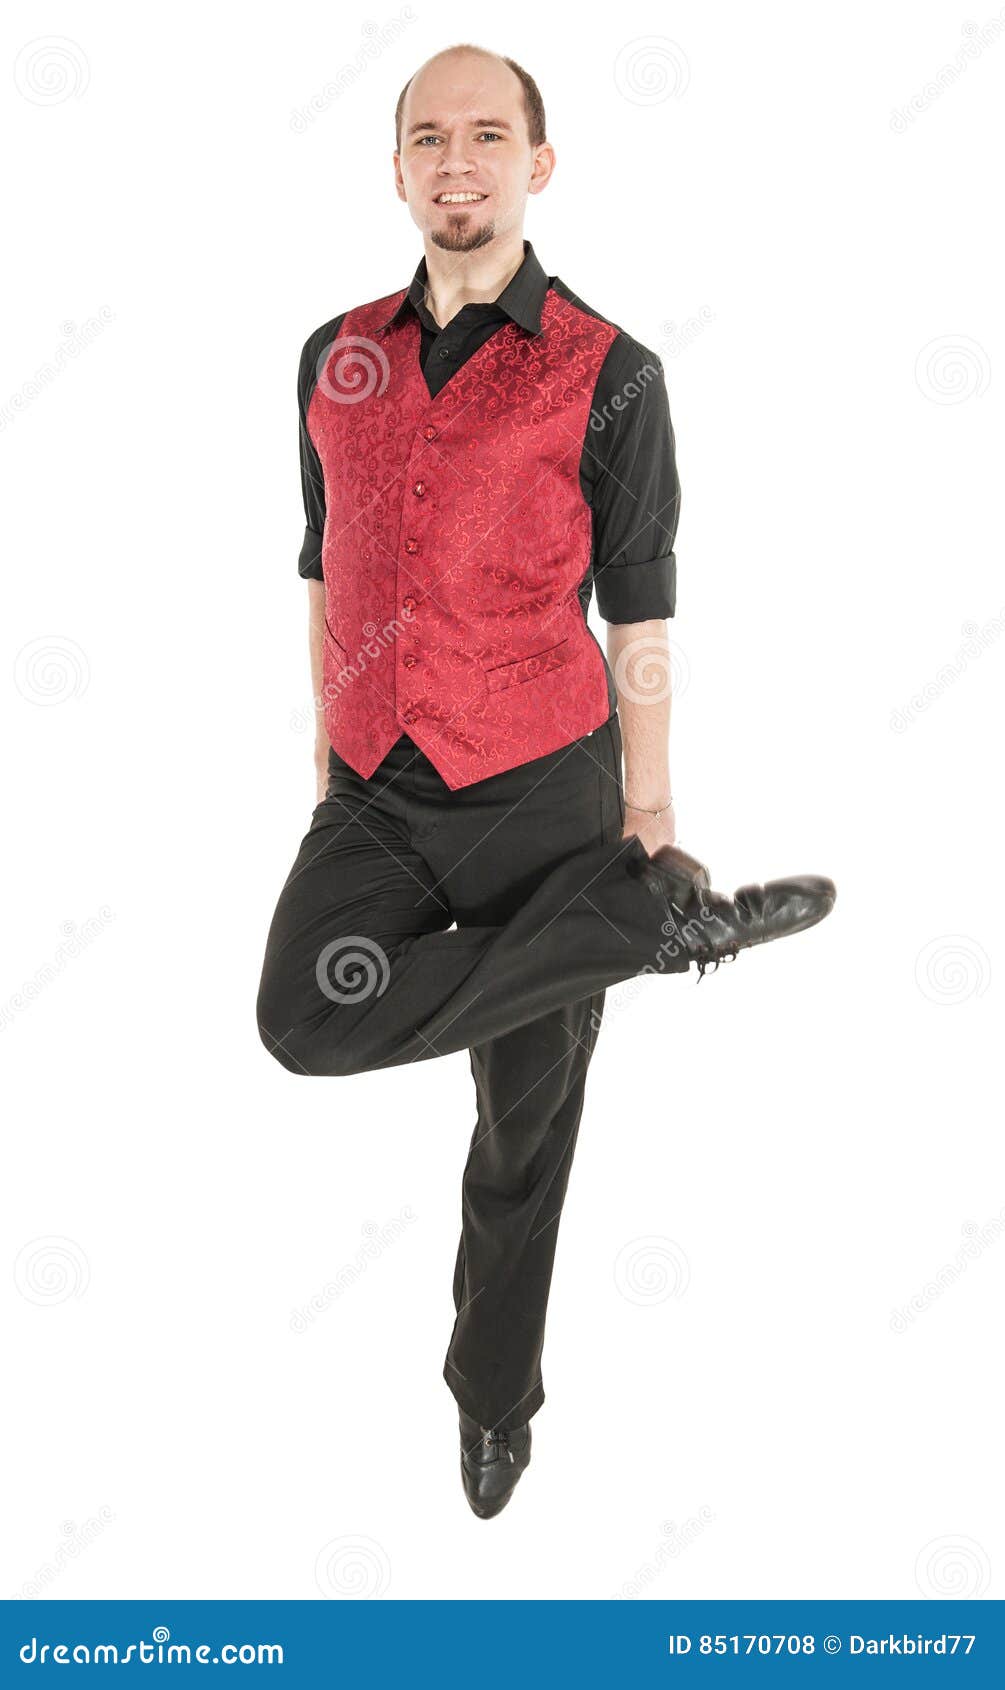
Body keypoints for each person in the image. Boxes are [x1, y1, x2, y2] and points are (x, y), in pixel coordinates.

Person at [257, 42, 835, 1519]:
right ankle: (646, 933)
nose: (458, 162)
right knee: (301, 1018)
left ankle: (491, 1399)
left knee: (521, 1136)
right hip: (379, 791)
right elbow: (322, 572)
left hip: (545, 791)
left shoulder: (614, 371)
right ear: (395, 167)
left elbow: (638, 618)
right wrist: (323, 756)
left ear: (538, 165)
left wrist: (646, 822)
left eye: (488, 137)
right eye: (429, 139)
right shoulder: (333, 355)